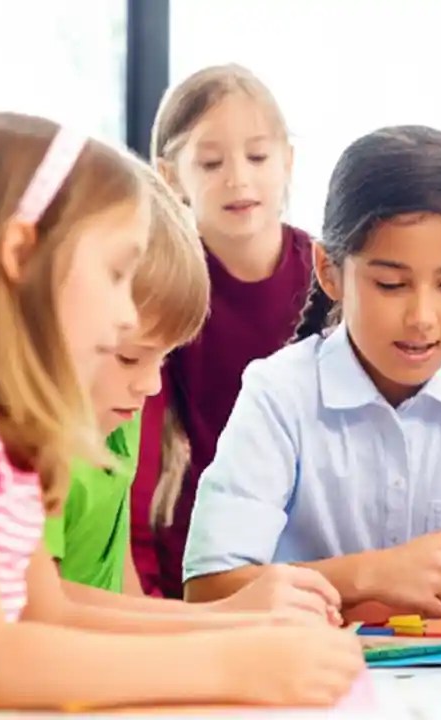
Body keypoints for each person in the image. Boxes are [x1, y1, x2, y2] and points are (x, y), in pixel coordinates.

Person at [0, 114, 362, 715]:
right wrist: (234, 662)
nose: (124, 314)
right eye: (116, 274)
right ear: (21, 254)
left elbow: (51, 612)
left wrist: (244, 636)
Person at [182, 125, 441, 637]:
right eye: (390, 284)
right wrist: (373, 574)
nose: (423, 317)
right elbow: (211, 589)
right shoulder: (279, 392)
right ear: (329, 270)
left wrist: (369, 612)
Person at [48, 172, 341, 622]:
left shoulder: (116, 422)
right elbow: (40, 608)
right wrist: (220, 620)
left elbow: (118, 580)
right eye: (128, 358)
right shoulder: (33, 446)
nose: (151, 386)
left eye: (162, 361)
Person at [132, 64, 314, 599]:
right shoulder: (166, 285)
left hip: (317, 565)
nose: (238, 178)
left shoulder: (329, 276)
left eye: (257, 156)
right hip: (196, 564)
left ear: (287, 161)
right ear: (170, 178)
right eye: (211, 163)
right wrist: (146, 603)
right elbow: (138, 465)